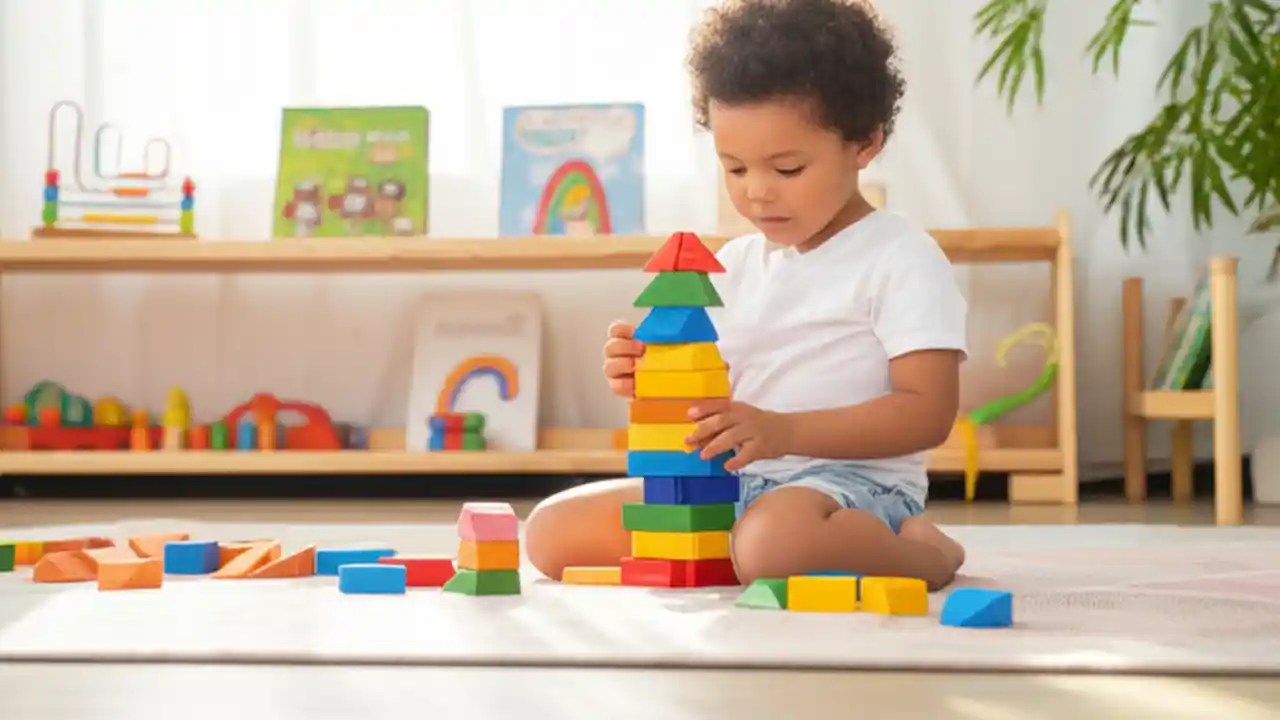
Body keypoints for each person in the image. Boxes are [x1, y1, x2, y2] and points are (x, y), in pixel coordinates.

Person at [524, 0, 968, 591]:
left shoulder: (900, 257)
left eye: (787, 170)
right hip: (729, 484)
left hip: (851, 487)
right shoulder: (730, 267)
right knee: (550, 531)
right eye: (734, 169)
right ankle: (737, 548)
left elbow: (927, 413)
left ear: (864, 144)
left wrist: (785, 433)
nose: (757, 194)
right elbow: (716, 403)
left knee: (771, 543)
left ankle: (924, 556)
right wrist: (649, 374)